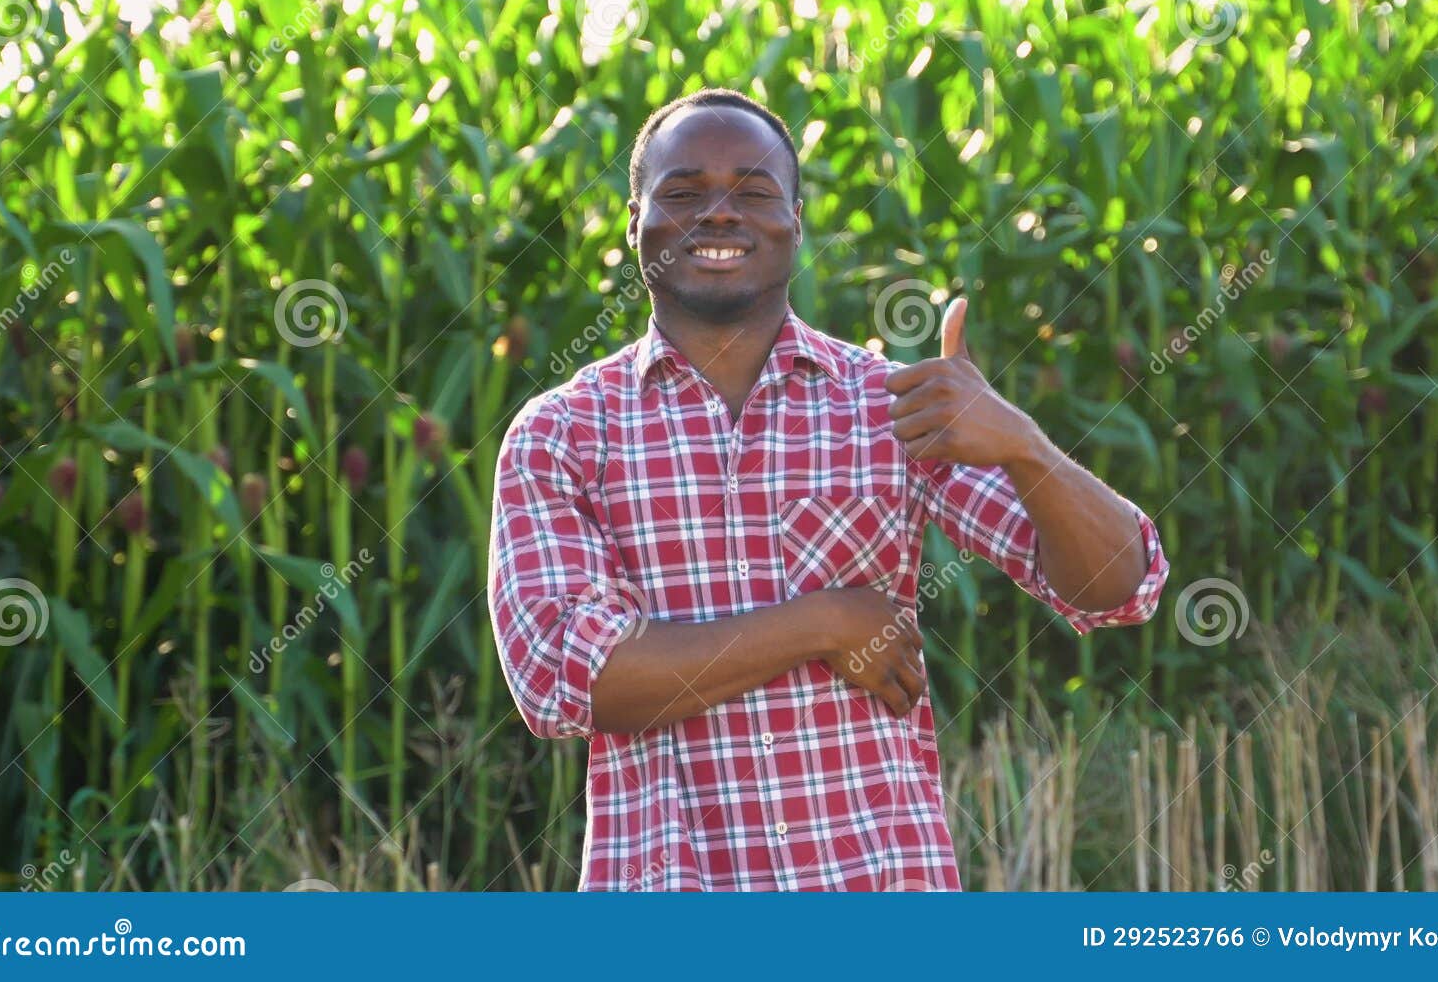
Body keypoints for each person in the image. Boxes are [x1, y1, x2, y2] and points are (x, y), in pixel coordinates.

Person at [488, 88, 1169, 890]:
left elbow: (1116, 588)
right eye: (681, 194)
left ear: (796, 222)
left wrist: (1021, 444)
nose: (717, 214)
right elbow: (567, 680)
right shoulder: (561, 434)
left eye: (753, 191)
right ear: (635, 223)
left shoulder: (894, 406)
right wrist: (825, 621)